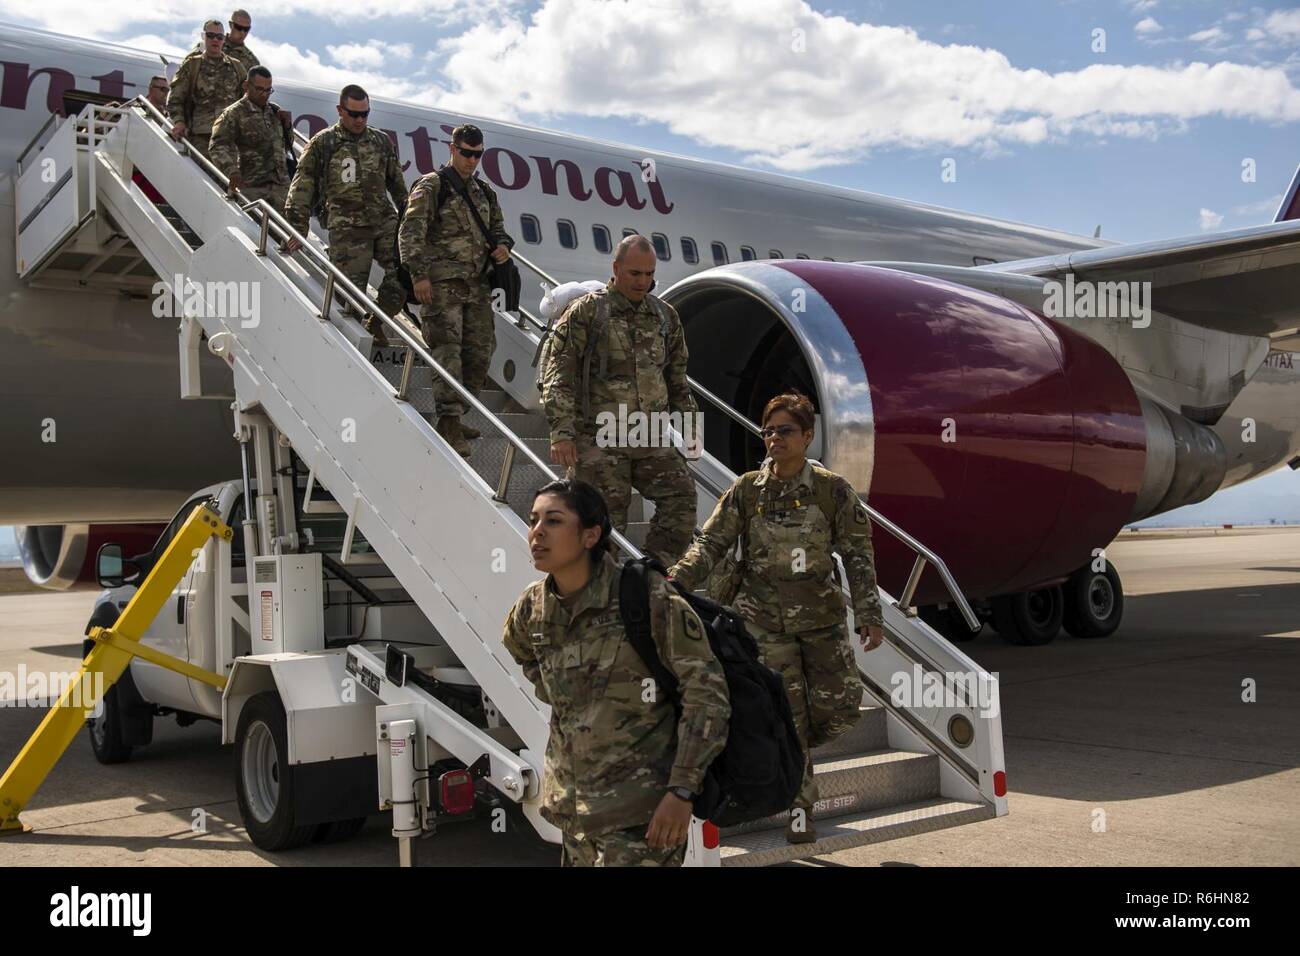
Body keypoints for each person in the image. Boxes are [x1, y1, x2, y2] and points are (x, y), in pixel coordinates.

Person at [669, 390, 885, 845]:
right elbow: (710, 544)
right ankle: (801, 808)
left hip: (821, 620)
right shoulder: (747, 490)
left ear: (807, 436)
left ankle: (801, 756)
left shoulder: (832, 491)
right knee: (790, 716)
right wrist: (676, 581)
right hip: (762, 621)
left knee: (841, 708)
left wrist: (868, 611)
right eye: (768, 430)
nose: (773, 439)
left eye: (785, 431)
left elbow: (857, 554)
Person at [501, 479, 730, 866]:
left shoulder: (645, 597)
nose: (537, 532)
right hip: (574, 814)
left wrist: (681, 792)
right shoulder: (533, 606)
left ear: (591, 535)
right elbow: (521, 652)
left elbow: (707, 694)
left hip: (641, 815)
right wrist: (571, 698)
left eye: (553, 521)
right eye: (533, 519)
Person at [539, 234, 698, 565]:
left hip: (649, 433)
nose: (643, 282)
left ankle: (653, 572)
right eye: (635, 274)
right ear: (616, 268)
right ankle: (600, 591)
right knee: (604, 522)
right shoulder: (586, 313)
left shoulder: (665, 317)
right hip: (600, 436)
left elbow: (677, 380)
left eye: (649, 274)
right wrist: (562, 432)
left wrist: (691, 428)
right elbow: (559, 376)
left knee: (682, 497)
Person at [399, 124, 513, 457]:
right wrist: (419, 276)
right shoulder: (432, 185)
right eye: (466, 153)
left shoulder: (484, 192)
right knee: (447, 350)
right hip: (442, 284)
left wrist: (503, 246)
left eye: (477, 155)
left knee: (479, 353)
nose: (471, 160)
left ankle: (459, 414)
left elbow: (498, 230)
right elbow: (410, 232)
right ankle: (448, 422)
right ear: (452, 149)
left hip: (476, 286)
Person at [283, 84, 408, 344]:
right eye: (354, 114)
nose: (360, 120)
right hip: (348, 228)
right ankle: (351, 342)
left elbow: (397, 184)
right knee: (351, 294)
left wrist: (409, 219)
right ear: (340, 110)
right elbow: (303, 184)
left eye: (365, 114)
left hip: (383, 221)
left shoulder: (380, 141)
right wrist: (297, 225)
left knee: (407, 270)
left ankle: (377, 321)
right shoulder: (324, 142)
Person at [208, 66, 289, 209]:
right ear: (246, 86)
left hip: (280, 188)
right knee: (253, 230)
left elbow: (284, 147)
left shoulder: (274, 111)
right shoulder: (234, 113)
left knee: (283, 230)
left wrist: (288, 127)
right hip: (252, 188)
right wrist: (231, 171)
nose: (264, 94)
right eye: (259, 89)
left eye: (268, 90)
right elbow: (217, 145)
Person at [167, 18, 247, 159]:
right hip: (201, 138)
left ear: (224, 40)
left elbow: (246, 100)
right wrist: (179, 122)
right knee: (201, 178)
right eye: (210, 35)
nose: (215, 40)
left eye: (219, 37)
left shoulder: (237, 67)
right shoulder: (191, 65)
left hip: (229, 139)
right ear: (203, 37)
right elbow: (175, 97)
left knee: (226, 180)